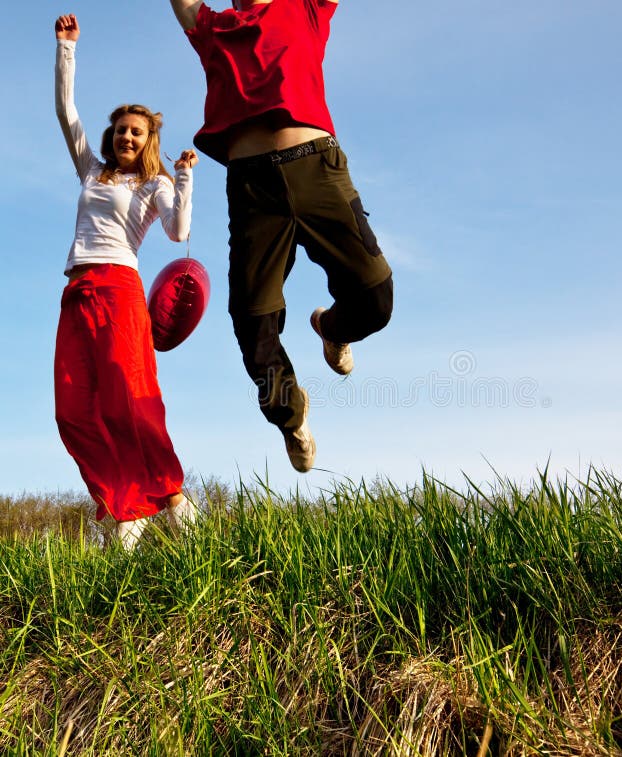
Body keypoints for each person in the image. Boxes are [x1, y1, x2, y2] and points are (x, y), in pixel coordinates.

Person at [167, 0, 394, 472]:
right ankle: (291, 417)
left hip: (317, 167)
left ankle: (331, 329)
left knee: (376, 298)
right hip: (252, 189)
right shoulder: (215, 29)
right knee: (252, 321)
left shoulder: (306, 7)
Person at [54, 13, 200, 550]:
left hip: (119, 289)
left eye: (135, 131)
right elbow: (66, 114)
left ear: (149, 138)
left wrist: (183, 179)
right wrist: (66, 50)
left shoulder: (155, 183)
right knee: (72, 411)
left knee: (128, 402)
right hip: (77, 292)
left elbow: (178, 230)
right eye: (120, 130)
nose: (125, 137)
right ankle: (123, 504)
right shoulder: (92, 170)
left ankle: (173, 498)